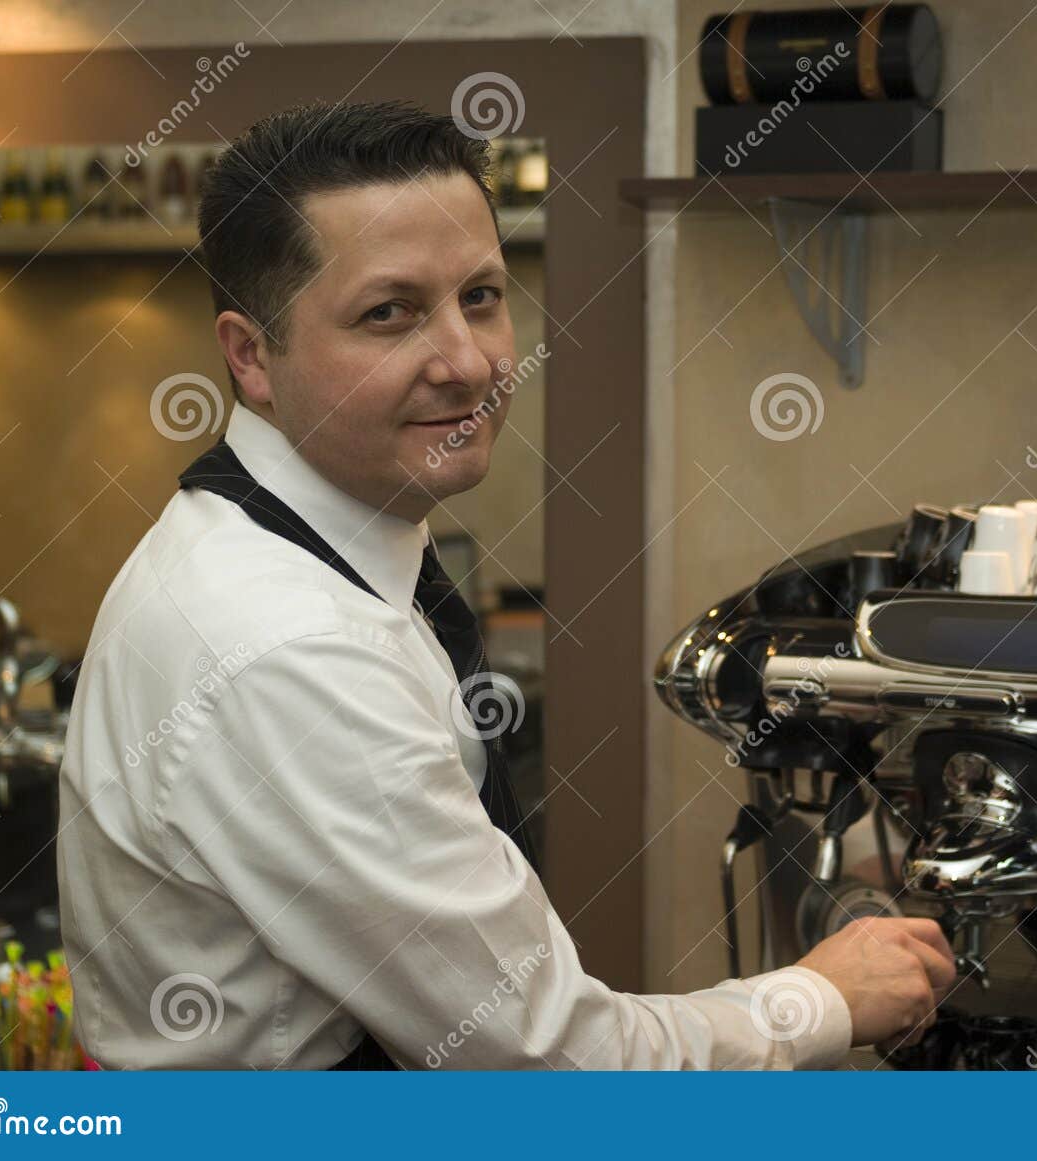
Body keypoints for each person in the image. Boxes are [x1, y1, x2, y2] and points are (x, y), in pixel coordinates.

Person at [57, 99, 954, 1069]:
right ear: (250, 357)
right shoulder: (291, 647)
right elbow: (552, 1067)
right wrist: (821, 996)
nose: (471, 362)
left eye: (480, 296)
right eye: (388, 313)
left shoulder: (296, 548)